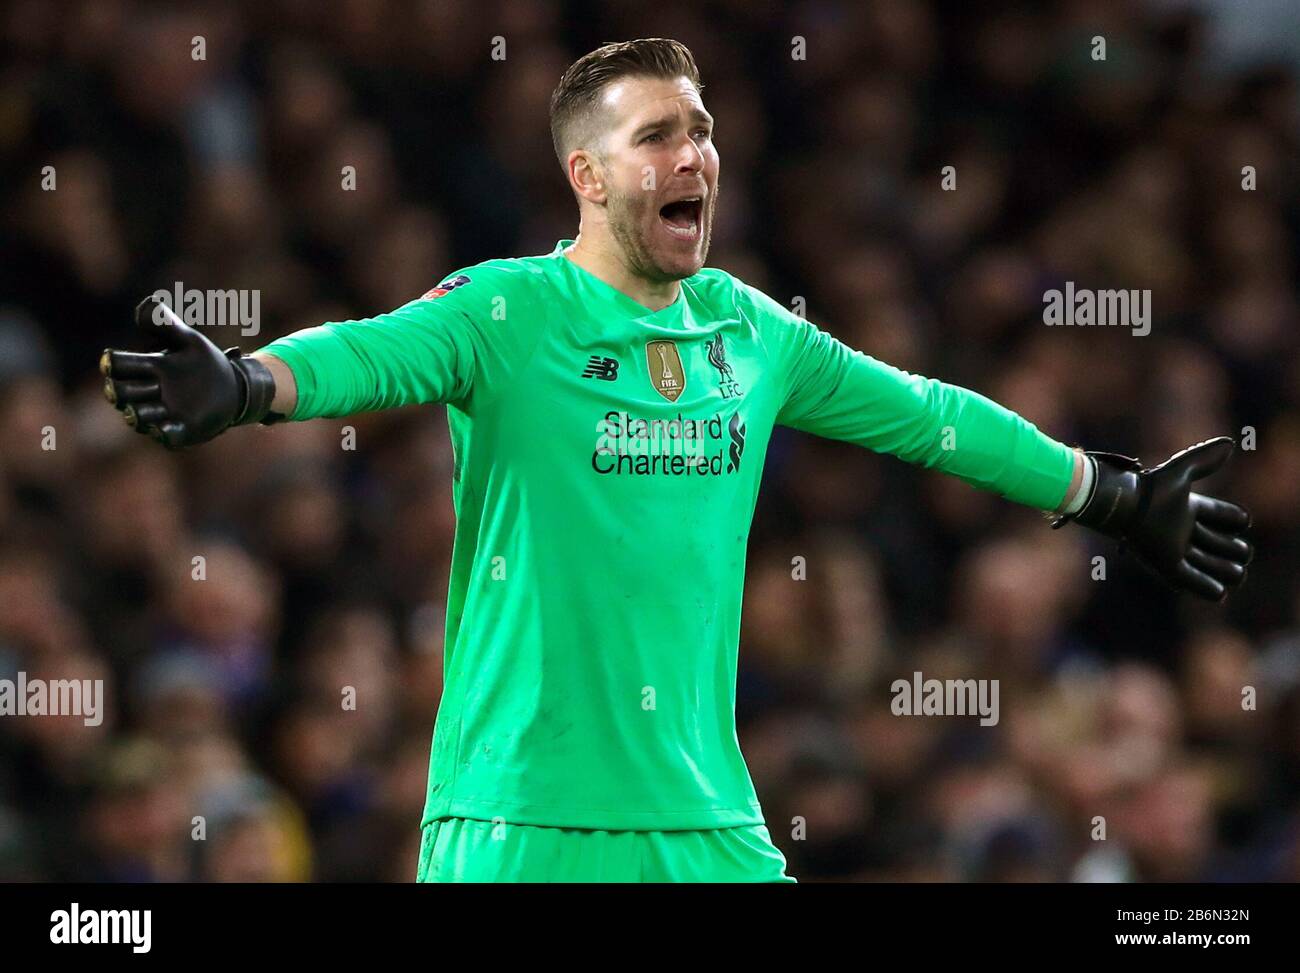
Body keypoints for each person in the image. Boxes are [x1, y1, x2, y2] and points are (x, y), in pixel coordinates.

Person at [99, 38, 1253, 882]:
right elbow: (368, 355)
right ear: (588, 178)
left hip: (708, 820)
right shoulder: (509, 312)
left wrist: (1102, 490)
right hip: (520, 818)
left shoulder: (752, 333)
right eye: (656, 134)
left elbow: (929, 414)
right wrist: (251, 384)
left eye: (700, 129)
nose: (693, 152)